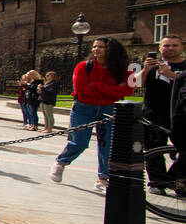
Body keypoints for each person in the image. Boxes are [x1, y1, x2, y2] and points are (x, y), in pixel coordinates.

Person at [50, 37, 134, 191]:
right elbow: (82, 89)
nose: (96, 50)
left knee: (107, 144)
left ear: (111, 50)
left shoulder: (124, 69)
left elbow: (128, 90)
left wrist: (97, 86)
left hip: (109, 108)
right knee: (79, 141)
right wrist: (112, 90)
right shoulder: (83, 66)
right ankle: (61, 162)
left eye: (101, 47)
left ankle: (103, 177)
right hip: (84, 107)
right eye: (95, 47)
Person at [141, 35, 184, 192]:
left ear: (181, 48)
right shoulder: (149, 66)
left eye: (174, 45)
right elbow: (134, 84)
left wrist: (172, 76)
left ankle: (178, 181)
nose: (170, 48)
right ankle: (158, 182)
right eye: (166, 46)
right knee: (153, 149)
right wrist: (146, 69)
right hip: (154, 113)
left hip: (180, 114)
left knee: (182, 151)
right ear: (160, 48)